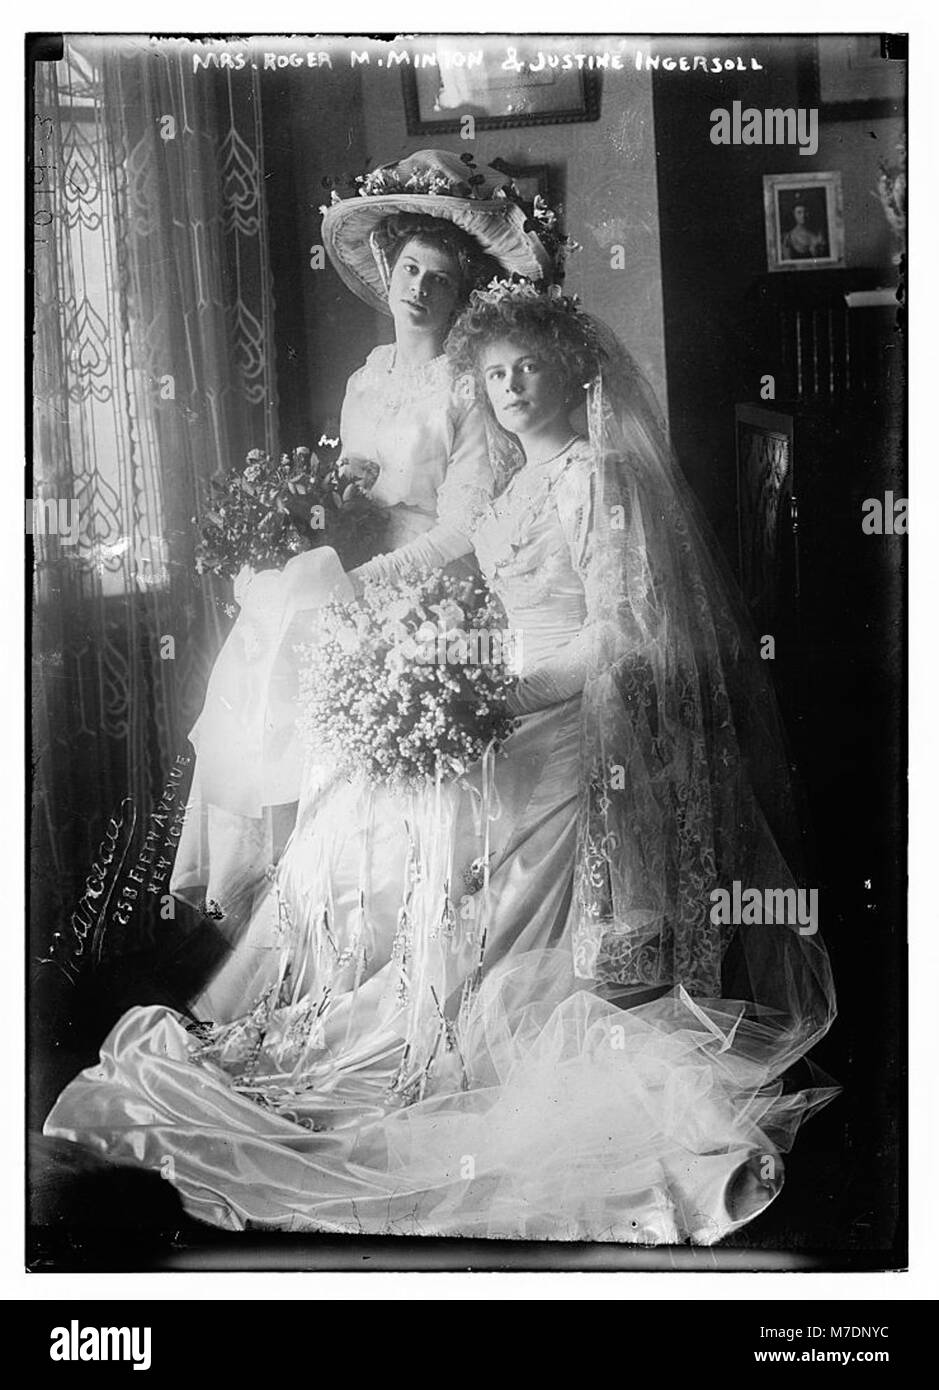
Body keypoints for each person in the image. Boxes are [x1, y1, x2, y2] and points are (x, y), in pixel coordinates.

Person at [44, 281, 836, 1245]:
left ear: (571, 368)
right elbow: (460, 573)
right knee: (363, 786)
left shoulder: (595, 477)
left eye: (527, 367)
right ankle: (354, 1011)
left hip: (574, 716)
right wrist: (365, 623)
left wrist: (502, 699)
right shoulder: (515, 482)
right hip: (504, 691)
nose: (509, 388)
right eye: (494, 374)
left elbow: (622, 638)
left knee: (418, 802)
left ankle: (439, 1036)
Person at [171, 150, 554, 969]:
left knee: (370, 771)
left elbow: (462, 534)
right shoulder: (366, 376)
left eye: (440, 280)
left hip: (430, 595)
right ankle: (290, 941)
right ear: (387, 272)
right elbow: (350, 501)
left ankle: (376, 958)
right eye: (410, 269)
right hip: (350, 581)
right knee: (266, 668)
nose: (418, 289)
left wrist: (356, 587)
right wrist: (305, 530)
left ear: (461, 297)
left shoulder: (468, 385)